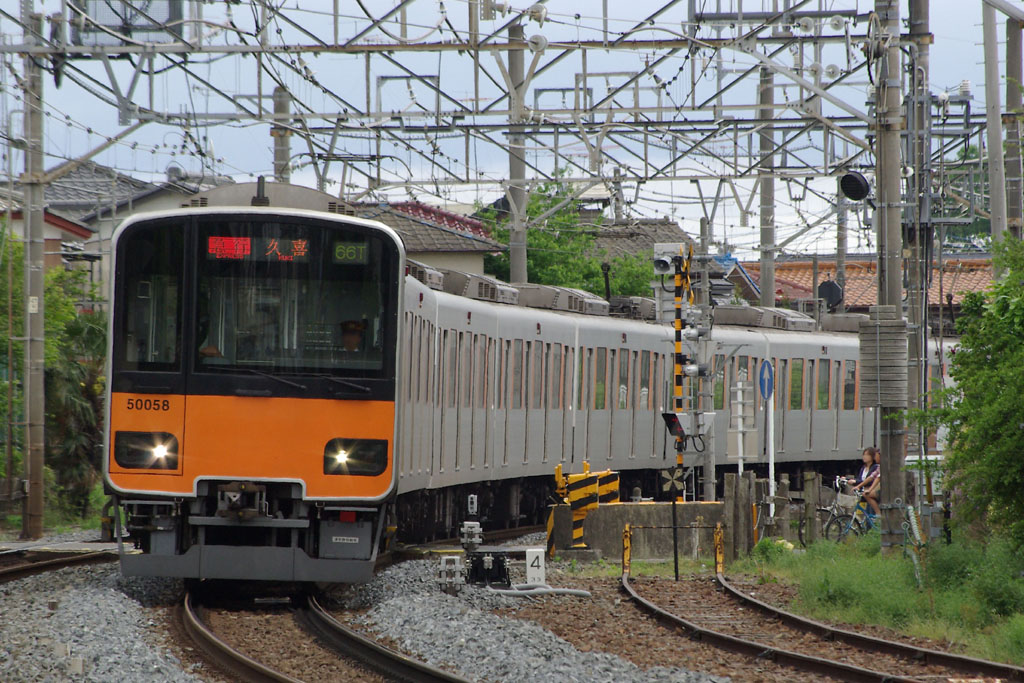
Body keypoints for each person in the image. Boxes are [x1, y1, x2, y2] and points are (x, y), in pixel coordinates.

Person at [849, 447, 881, 518]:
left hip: (884, 491)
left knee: (867, 495)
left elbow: (875, 479)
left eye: (876, 455)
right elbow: (871, 477)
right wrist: (859, 486)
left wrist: (869, 489)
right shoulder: (864, 468)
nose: (875, 458)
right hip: (867, 489)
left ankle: (879, 514)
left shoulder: (878, 466)